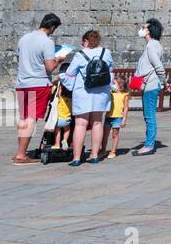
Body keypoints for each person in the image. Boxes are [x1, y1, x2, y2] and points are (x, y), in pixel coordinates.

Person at [13, 13, 63, 164]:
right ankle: (21, 155)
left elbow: (19, 58)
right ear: (52, 27)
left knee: (24, 117)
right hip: (38, 84)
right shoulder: (46, 42)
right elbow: (50, 66)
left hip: (22, 83)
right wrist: (59, 60)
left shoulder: (24, 38)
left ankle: (20, 152)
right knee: (31, 118)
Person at [63, 30, 116, 167]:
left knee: (80, 124)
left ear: (86, 41)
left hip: (83, 93)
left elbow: (69, 74)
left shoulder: (80, 55)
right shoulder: (107, 53)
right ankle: (94, 156)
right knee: (97, 123)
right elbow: (110, 73)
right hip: (101, 93)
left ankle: (76, 158)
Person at [132, 18, 166, 156]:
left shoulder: (151, 46)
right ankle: (149, 143)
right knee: (148, 115)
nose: (141, 29)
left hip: (150, 86)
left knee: (149, 116)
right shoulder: (155, 44)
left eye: (143, 27)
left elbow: (159, 67)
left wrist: (163, 82)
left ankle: (149, 145)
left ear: (149, 31)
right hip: (151, 84)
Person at [101, 87, 129, 159]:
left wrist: (124, 119)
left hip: (117, 117)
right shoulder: (110, 93)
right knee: (104, 135)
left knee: (115, 135)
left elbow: (126, 108)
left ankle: (113, 151)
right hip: (108, 117)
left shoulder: (124, 94)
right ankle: (103, 150)